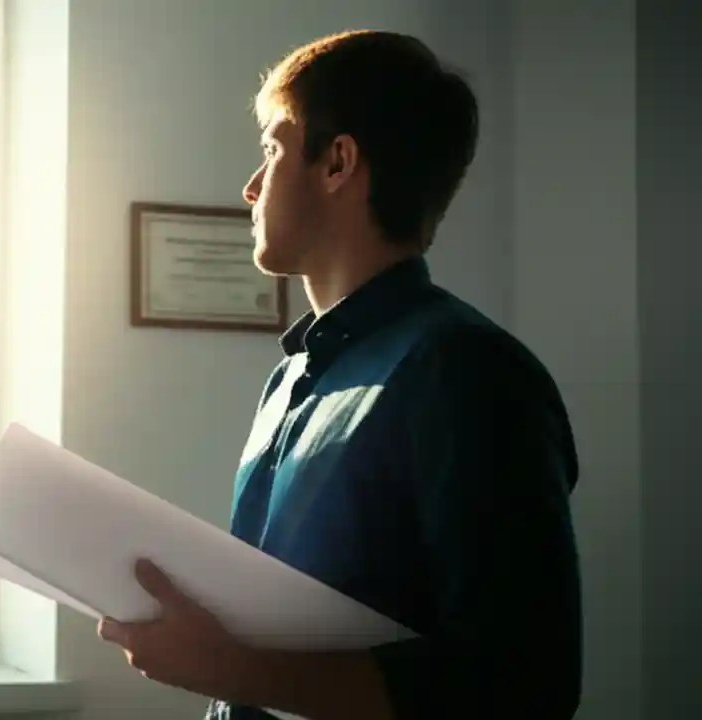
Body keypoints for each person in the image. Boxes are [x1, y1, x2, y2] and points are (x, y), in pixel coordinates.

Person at [97, 30, 582, 720]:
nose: (251, 186)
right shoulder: (293, 377)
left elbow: (522, 687)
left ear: (338, 163)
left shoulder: (466, 371)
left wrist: (229, 667)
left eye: (271, 148)